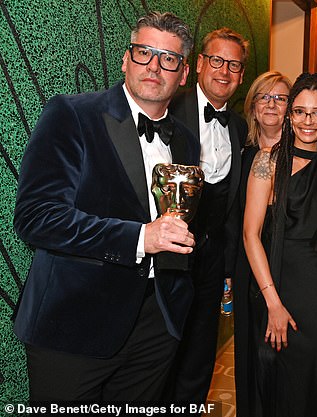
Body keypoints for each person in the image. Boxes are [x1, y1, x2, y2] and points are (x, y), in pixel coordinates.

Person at [12, 12, 199, 401]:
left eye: (168, 58)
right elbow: (37, 216)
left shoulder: (184, 140)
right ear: (125, 59)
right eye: (144, 53)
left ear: (183, 74)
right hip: (74, 325)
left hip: (156, 323)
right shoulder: (72, 114)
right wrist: (139, 237)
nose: (154, 66)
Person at [243, 72, 317, 417]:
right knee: (286, 384)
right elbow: (250, 235)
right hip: (281, 285)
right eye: (301, 111)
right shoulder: (267, 161)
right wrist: (273, 303)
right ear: (290, 116)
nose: (308, 121)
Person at [166, 27, 249, 407]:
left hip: (212, 258)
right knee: (164, 347)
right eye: (217, 60)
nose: (224, 71)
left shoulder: (238, 126)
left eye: (233, 65)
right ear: (199, 64)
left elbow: (231, 205)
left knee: (201, 349)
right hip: (166, 255)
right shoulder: (169, 107)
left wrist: (228, 264)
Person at [233, 70, 292, 416]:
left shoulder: (306, 156)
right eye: (264, 97)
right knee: (253, 358)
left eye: (280, 98)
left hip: (293, 265)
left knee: (288, 363)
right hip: (249, 267)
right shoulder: (242, 156)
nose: (271, 104)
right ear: (253, 107)